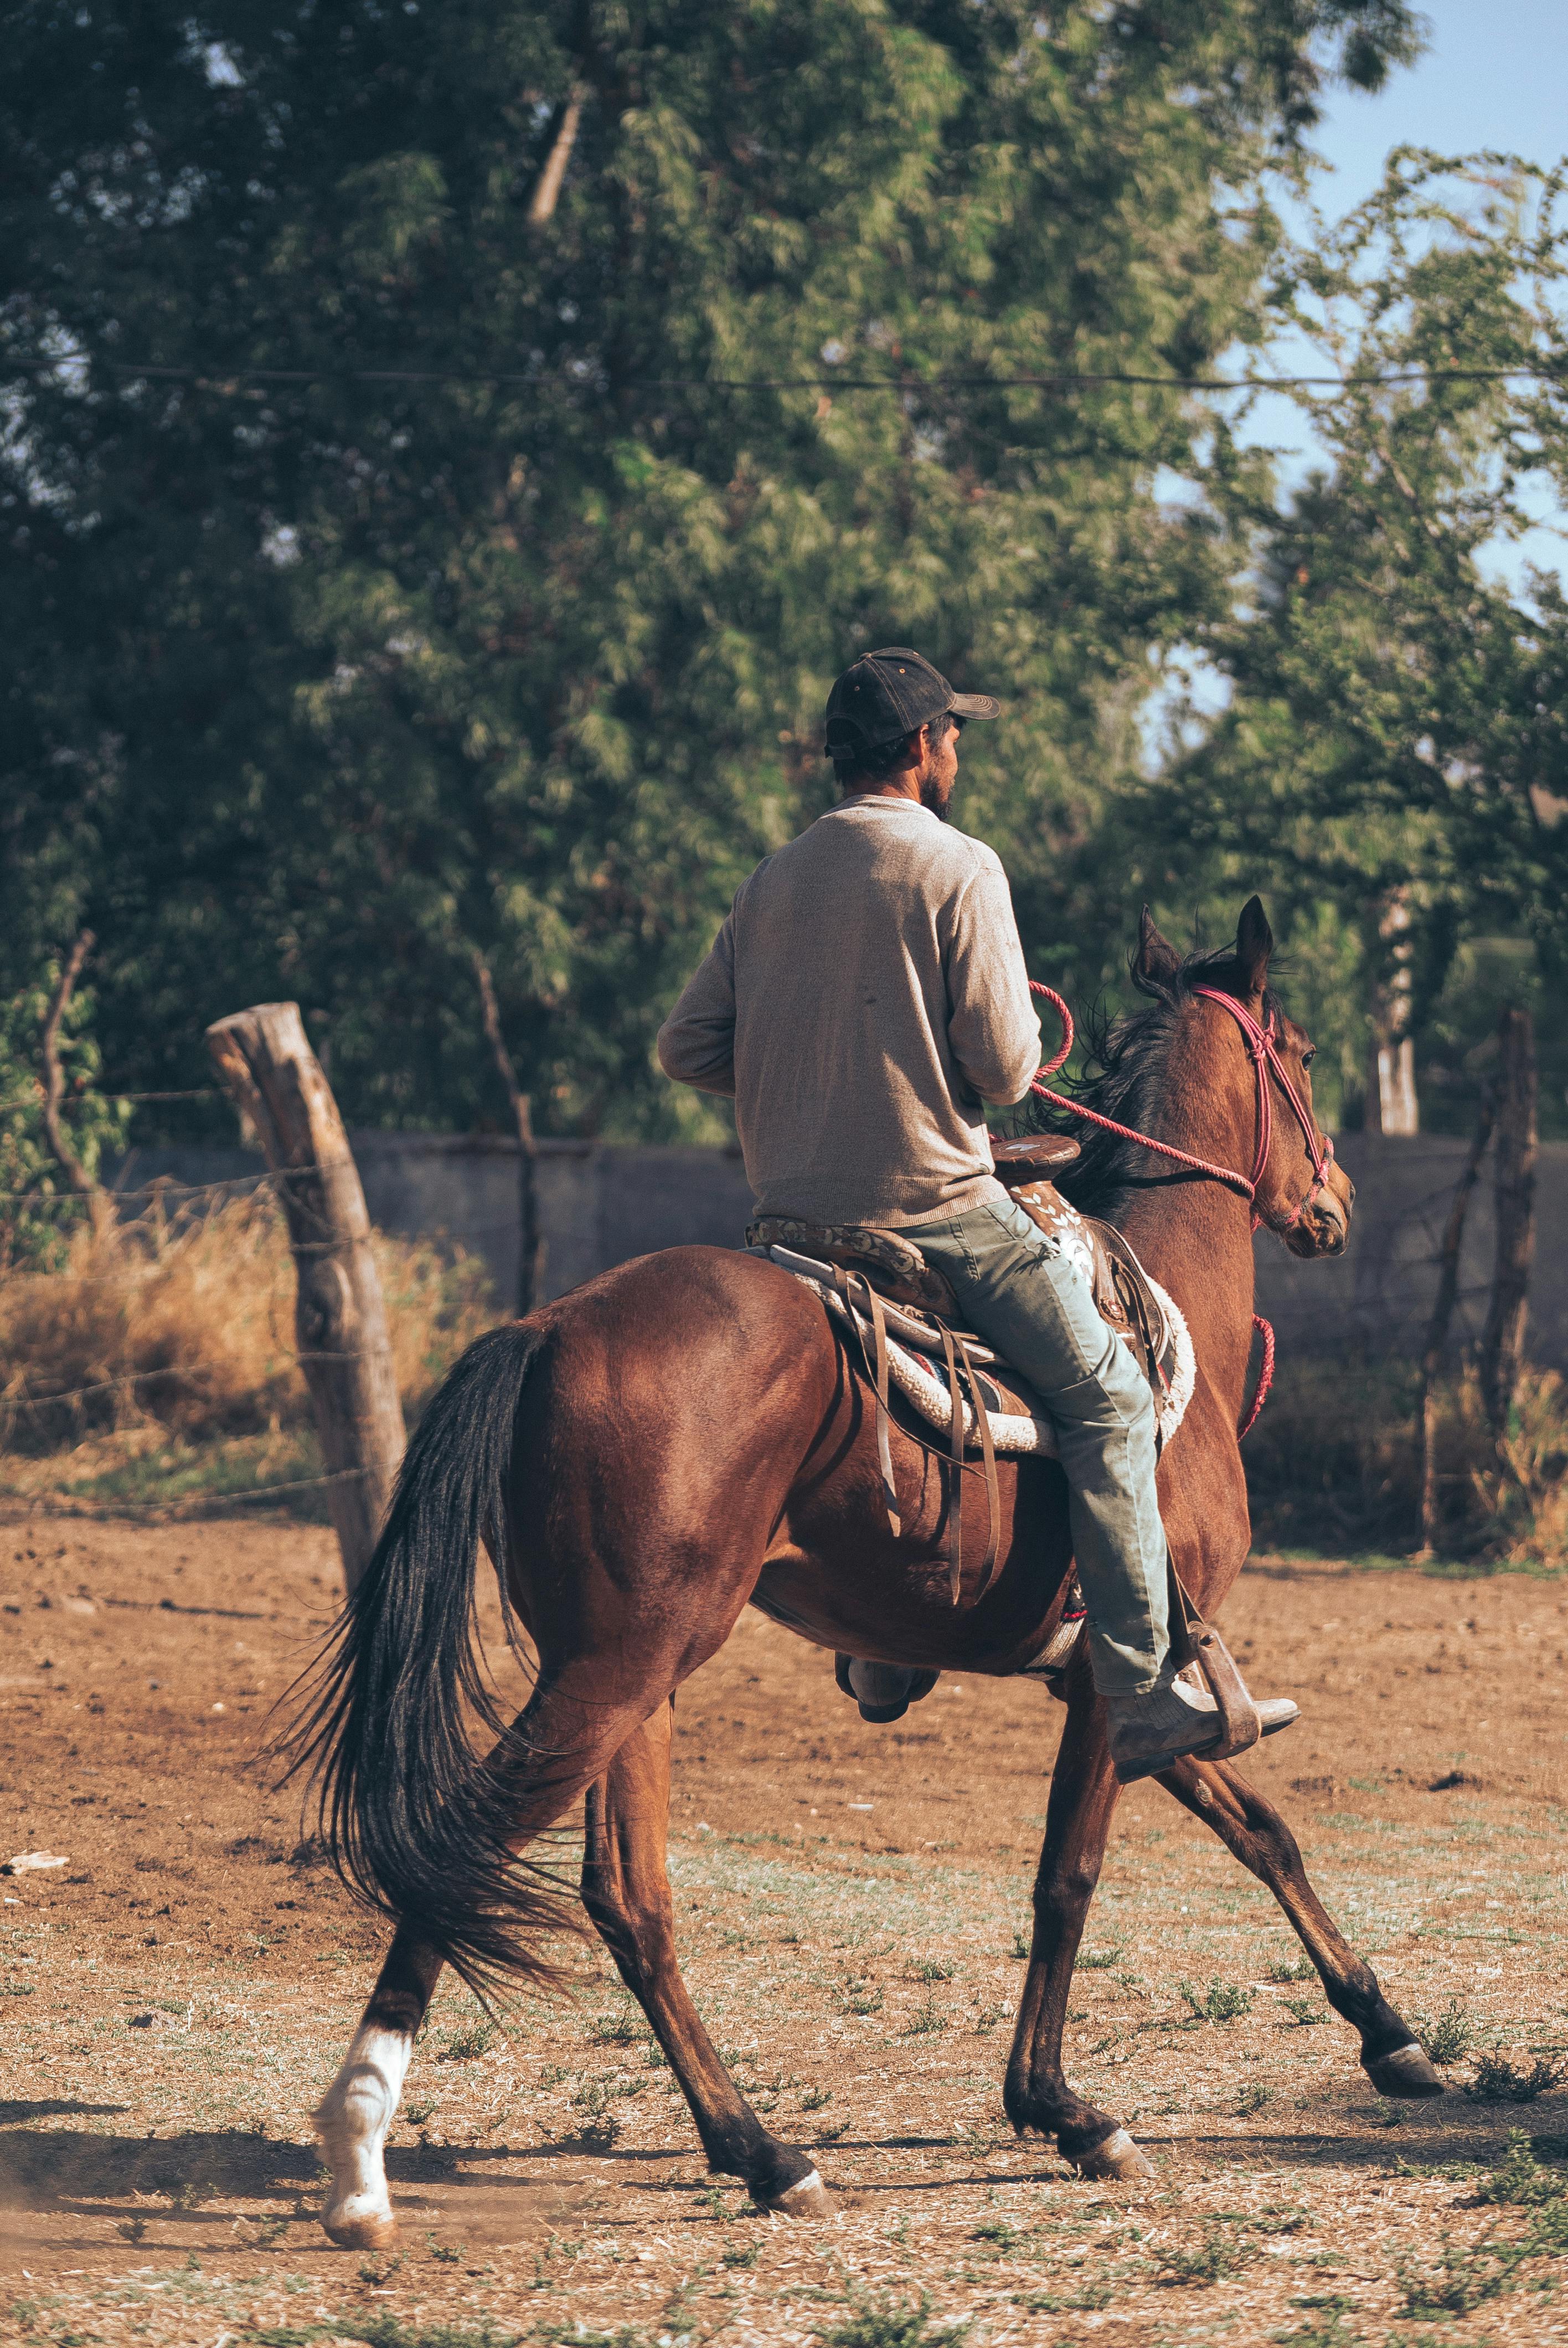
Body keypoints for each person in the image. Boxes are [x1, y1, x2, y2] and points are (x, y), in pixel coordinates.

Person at [656, 645, 1296, 1781]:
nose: (959, 750)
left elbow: (687, 1046)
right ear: (920, 747)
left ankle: (885, 1647)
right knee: (1108, 1391)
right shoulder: (958, 865)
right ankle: (1144, 1685)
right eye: (952, 732)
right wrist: (919, 1079)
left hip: (788, 1224)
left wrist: (817, 1080)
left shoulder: (775, 876)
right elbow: (1007, 1066)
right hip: (935, 1211)